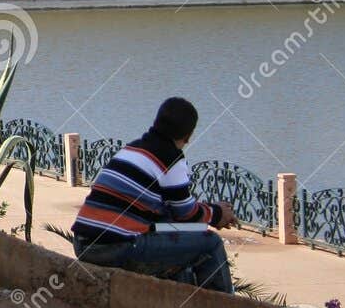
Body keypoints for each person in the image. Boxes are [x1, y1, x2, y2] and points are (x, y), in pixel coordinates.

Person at [71, 97, 235, 292]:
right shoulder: (171, 159)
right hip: (116, 248)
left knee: (174, 231)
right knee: (211, 243)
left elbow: (172, 217)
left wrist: (206, 215)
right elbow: (187, 213)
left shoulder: (131, 149)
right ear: (189, 136)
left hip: (83, 244)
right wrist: (217, 214)